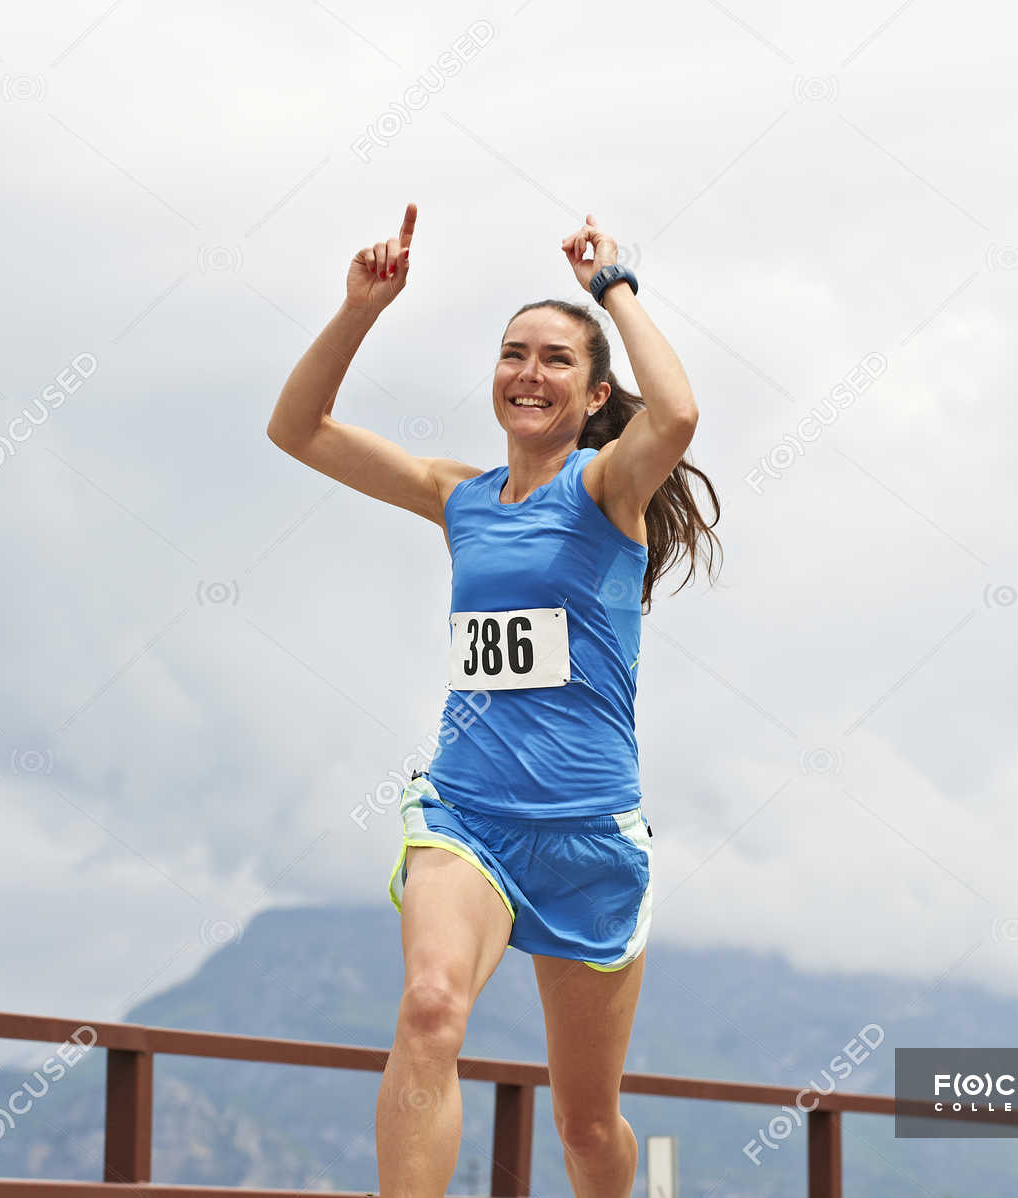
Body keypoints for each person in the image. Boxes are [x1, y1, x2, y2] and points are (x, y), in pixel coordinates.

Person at [266, 202, 720, 1198]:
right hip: (466, 812)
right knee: (430, 1008)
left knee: (586, 1124)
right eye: (514, 353)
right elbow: (296, 430)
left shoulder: (607, 489)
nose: (529, 372)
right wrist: (360, 308)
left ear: (595, 394)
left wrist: (613, 288)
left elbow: (679, 416)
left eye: (557, 359)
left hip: (588, 832)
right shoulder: (458, 495)